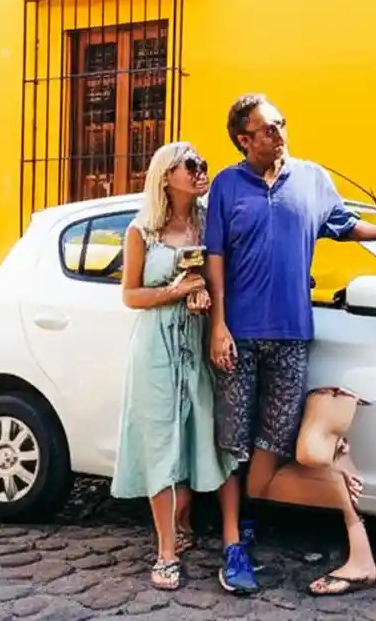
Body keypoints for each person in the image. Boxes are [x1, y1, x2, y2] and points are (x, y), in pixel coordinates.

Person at [204, 93, 376, 596]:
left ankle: (248, 517)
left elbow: (343, 225)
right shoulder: (228, 186)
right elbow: (215, 258)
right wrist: (219, 326)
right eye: (268, 129)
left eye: (282, 124)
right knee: (232, 441)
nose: (280, 133)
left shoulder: (312, 179)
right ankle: (232, 544)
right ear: (244, 140)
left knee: (272, 441)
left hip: (292, 335)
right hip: (240, 336)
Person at [110, 142, 243, 592]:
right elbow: (130, 295)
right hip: (156, 349)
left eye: (204, 164)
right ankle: (165, 551)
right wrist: (177, 290)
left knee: (198, 438)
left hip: (197, 345)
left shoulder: (209, 223)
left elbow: (219, 276)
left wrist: (203, 288)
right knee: (161, 444)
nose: (201, 170)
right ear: (167, 175)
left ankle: (184, 522)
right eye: (192, 165)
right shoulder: (142, 230)